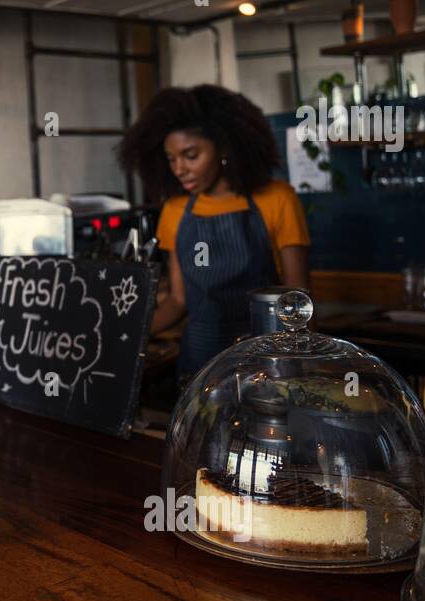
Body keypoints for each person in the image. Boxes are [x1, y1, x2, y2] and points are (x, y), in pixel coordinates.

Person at [118, 85, 310, 381]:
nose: (179, 169)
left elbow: (299, 299)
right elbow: (178, 301)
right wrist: (125, 333)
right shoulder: (175, 210)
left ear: (223, 148)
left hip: (267, 360)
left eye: (191, 155)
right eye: (171, 159)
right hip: (199, 362)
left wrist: (293, 363)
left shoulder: (276, 198)